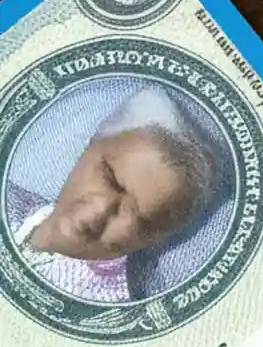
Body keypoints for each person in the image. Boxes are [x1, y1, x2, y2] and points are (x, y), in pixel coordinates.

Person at [11, 86, 217, 303]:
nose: (101, 210)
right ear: (88, 150)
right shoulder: (10, 200)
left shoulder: (106, 312)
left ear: (152, 240)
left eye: (139, 219)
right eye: (108, 175)